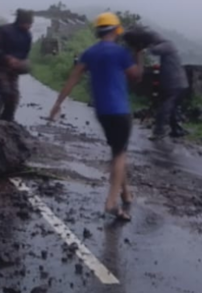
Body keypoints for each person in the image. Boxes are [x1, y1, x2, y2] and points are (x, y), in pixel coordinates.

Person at [49, 13, 143, 221]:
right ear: (116, 30)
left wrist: (57, 104)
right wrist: (138, 53)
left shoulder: (89, 53)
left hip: (101, 111)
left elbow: (72, 79)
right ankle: (111, 202)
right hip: (120, 110)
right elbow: (136, 76)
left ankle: (126, 194)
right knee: (120, 154)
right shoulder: (121, 53)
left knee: (118, 150)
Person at [124, 27, 189, 140]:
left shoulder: (168, 44)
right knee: (172, 108)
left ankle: (160, 131)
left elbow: (154, 51)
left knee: (165, 108)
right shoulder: (167, 45)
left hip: (174, 82)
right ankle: (176, 130)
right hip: (176, 82)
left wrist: (144, 47)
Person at [0, 9, 34, 121]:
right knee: (5, 91)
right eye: (28, 23)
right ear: (22, 21)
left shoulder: (27, 36)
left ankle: (7, 120)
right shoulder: (4, 30)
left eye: (31, 23)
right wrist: (7, 58)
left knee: (13, 96)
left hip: (14, 70)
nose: (30, 26)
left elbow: (25, 53)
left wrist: (22, 62)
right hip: (0, 68)